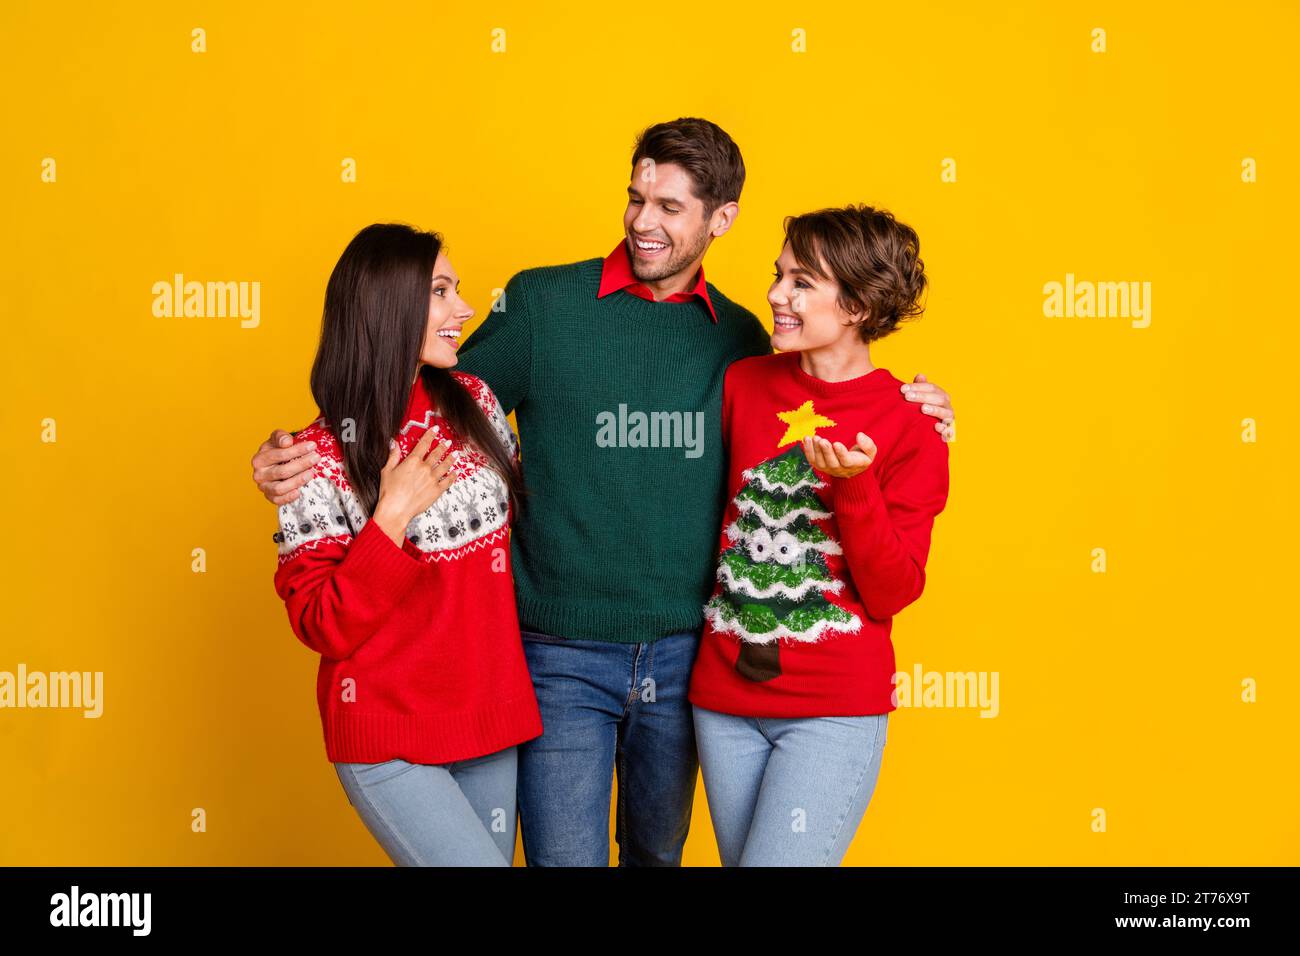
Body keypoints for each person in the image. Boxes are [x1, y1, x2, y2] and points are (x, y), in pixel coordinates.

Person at [252, 119, 957, 866]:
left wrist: (916, 410)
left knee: (657, 854)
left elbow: (827, 392)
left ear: (722, 219)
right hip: (556, 654)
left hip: (692, 657)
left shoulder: (746, 344)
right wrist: (296, 450)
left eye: (671, 207)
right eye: (636, 197)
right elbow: (425, 393)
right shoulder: (543, 305)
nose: (644, 222)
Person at [271, 222, 541, 866]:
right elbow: (321, 624)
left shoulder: (475, 403)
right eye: (441, 292)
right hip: (387, 736)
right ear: (390, 310)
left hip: (489, 721)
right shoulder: (312, 459)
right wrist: (390, 517)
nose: (465, 310)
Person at [688, 204, 949, 865]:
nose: (776, 294)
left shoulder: (911, 425)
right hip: (722, 702)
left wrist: (855, 487)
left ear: (858, 303)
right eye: (779, 275)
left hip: (833, 710)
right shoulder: (743, 384)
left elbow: (892, 591)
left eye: (801, 282)